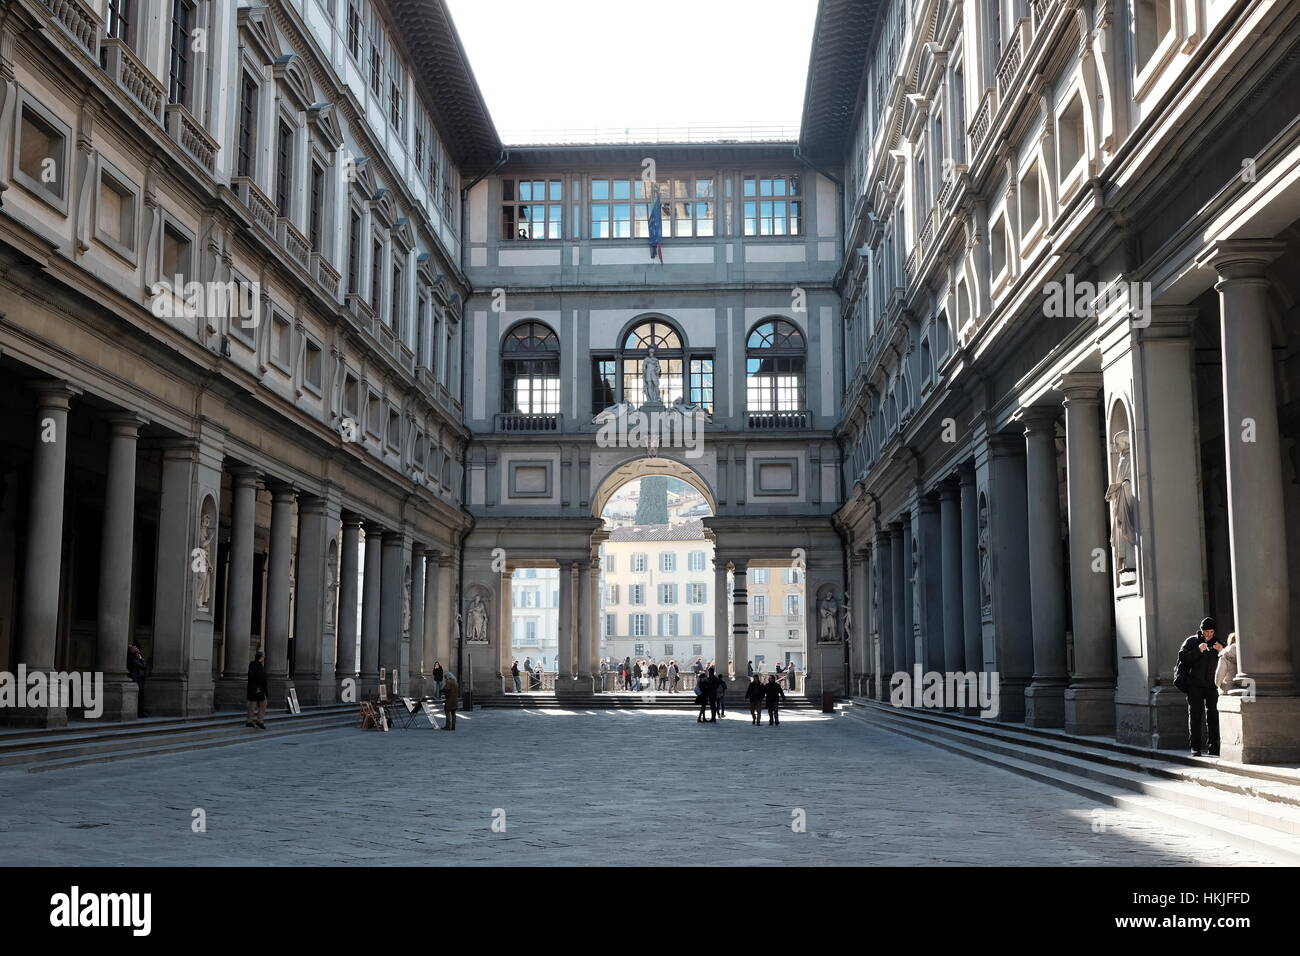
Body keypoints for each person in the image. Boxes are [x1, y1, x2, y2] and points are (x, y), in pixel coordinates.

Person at [1175, 617, 1222, 756]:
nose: (1208, 635)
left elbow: (1227, 661)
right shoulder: (1192, 641)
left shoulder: (1218, 643)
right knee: (1195, 716)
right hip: (1194, 686)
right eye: (1206, 631)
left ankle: (1214, 747)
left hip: (1212, 687)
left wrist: (1222, 650)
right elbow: (1183, 657)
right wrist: (1198, 650)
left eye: (1211, 632)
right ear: (1201, 630)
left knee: (1213, 717)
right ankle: (1195, 747)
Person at [246, 650, 268, 729]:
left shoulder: (261, 665)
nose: (264, 658)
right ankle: (249, 721)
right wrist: (256, 688)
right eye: (263, 656)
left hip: (261, 690)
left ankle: (260, 721)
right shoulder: (253, 664)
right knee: (253, 706)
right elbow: (251, 678)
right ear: (261, 657)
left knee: (263, 704)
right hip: (255, 690)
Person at [126, 644, 149, 718]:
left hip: (137, 679)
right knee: (139, 697)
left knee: (140, 697)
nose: (136, 648)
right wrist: (141, 658)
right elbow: (143, 666)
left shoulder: (134, 658)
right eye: (134, 647)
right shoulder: (132, 659)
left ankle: (142, 711)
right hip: (135, 679)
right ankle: (140, 712)